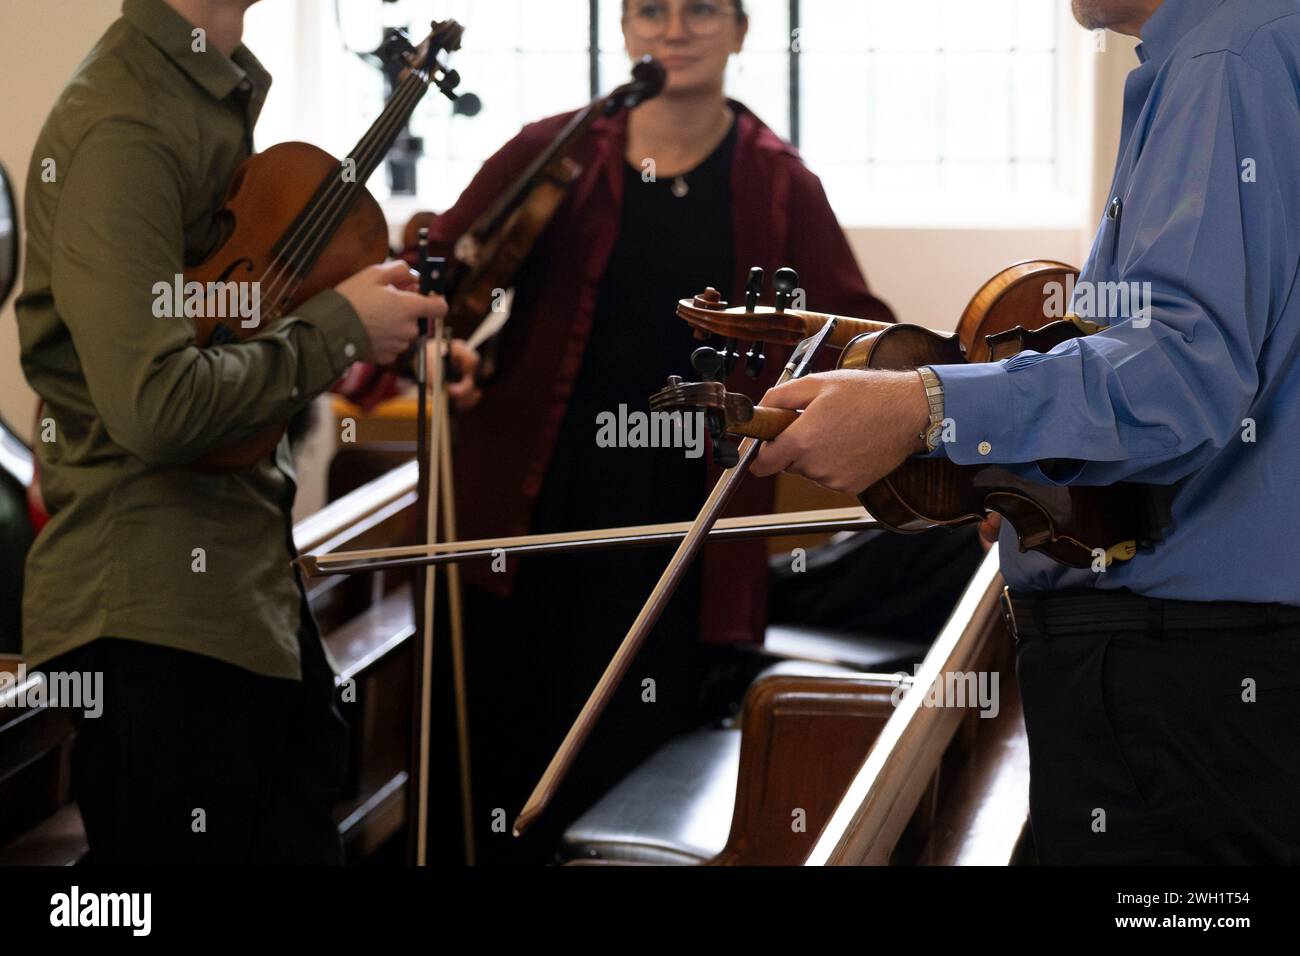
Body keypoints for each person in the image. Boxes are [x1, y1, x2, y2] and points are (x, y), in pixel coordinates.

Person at [752, 0, 1300, 865]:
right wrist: (1045, 485)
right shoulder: (1259, 41)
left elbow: (1184, 373)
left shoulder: (1222, 54)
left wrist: (923, 408)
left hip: (1184, 674)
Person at [349, 0, 897, 863]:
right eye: (650, 10)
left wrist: (921, 405)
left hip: (675, 531)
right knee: (493, 757)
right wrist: (442, 344)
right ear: (627, 31)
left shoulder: (777, 178)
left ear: (742, 30)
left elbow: (857, 332)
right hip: (523, 514)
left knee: (625, 758)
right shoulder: (556, 148)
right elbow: (436, 278)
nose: (674, 29)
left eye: (701, 10)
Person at [15, 0, 437, 864]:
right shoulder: (126, 122)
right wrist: (339, 329)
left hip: (244, 599)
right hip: (153, 623)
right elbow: (158, 407)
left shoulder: (203, 88)